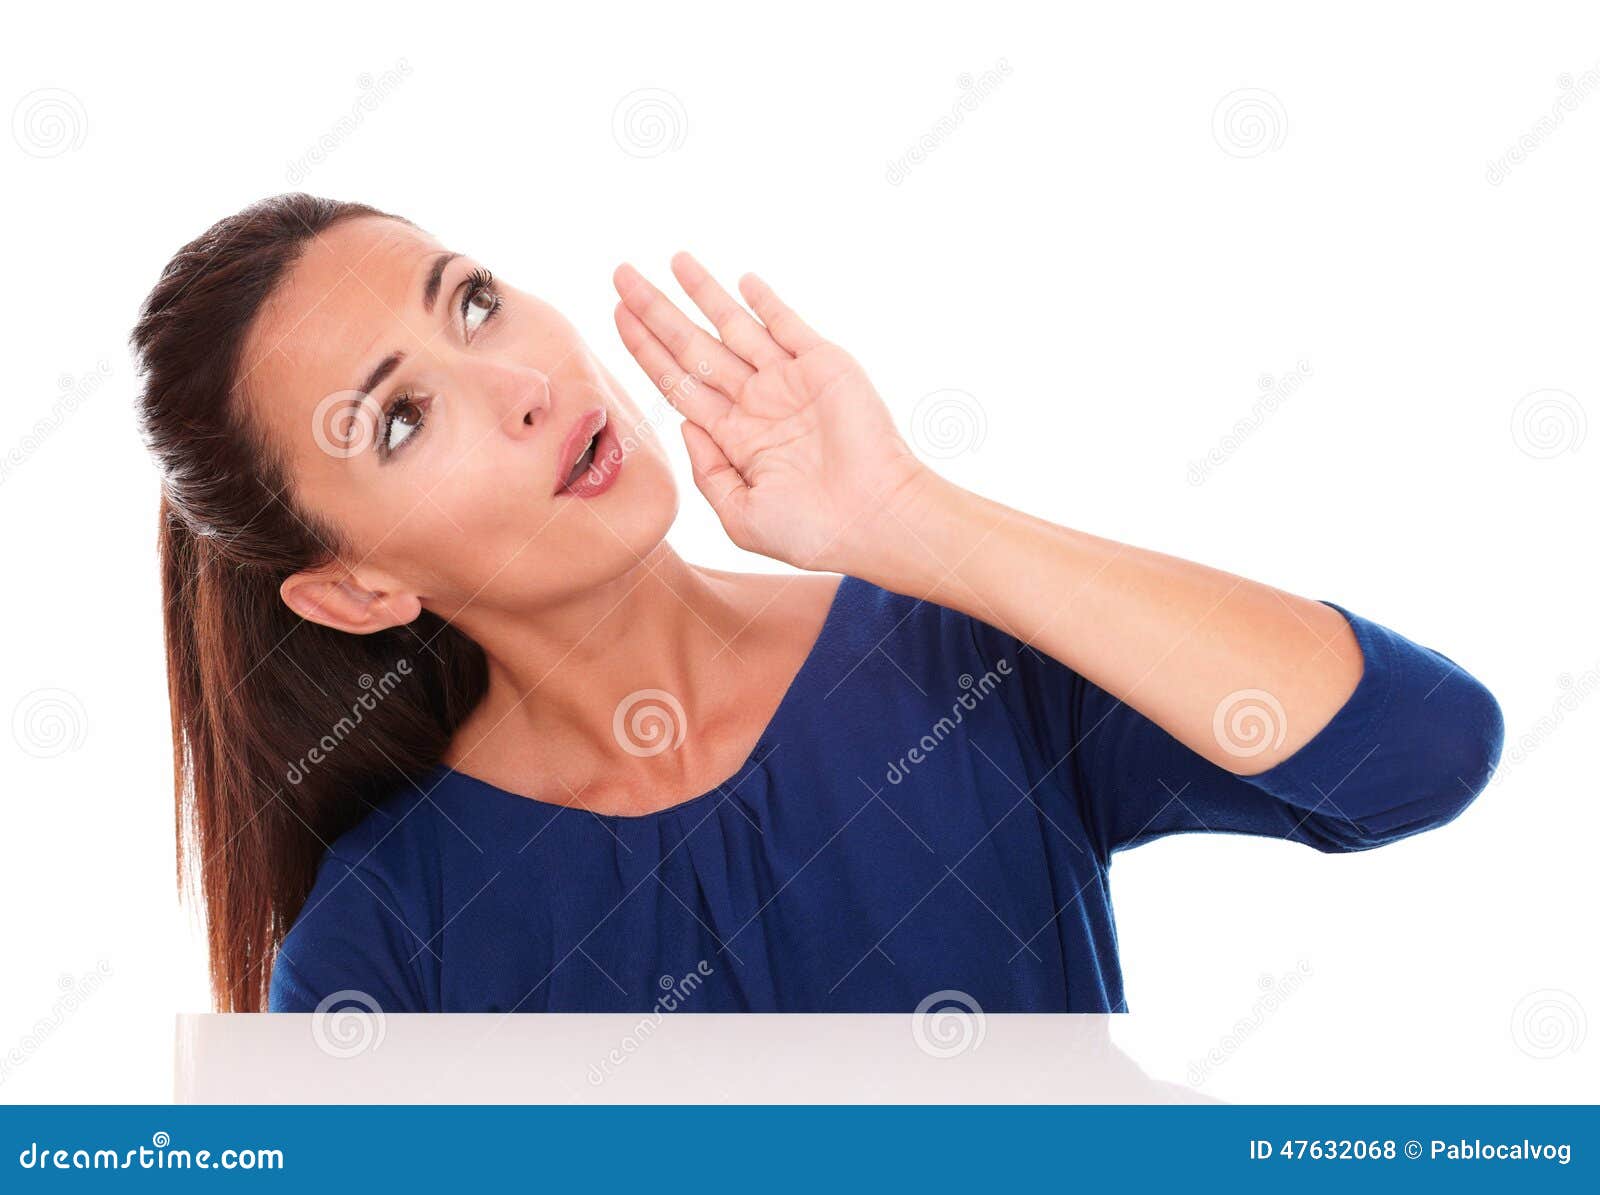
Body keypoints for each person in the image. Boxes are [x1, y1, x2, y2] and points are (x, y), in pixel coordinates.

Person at [128, 194, 1503, 1013]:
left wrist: (914, 522)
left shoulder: (946, 661)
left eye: (476, 303)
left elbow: (1418, 759)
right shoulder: (387, 944)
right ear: (359, 590)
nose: (524, 384)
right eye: (404, 417)